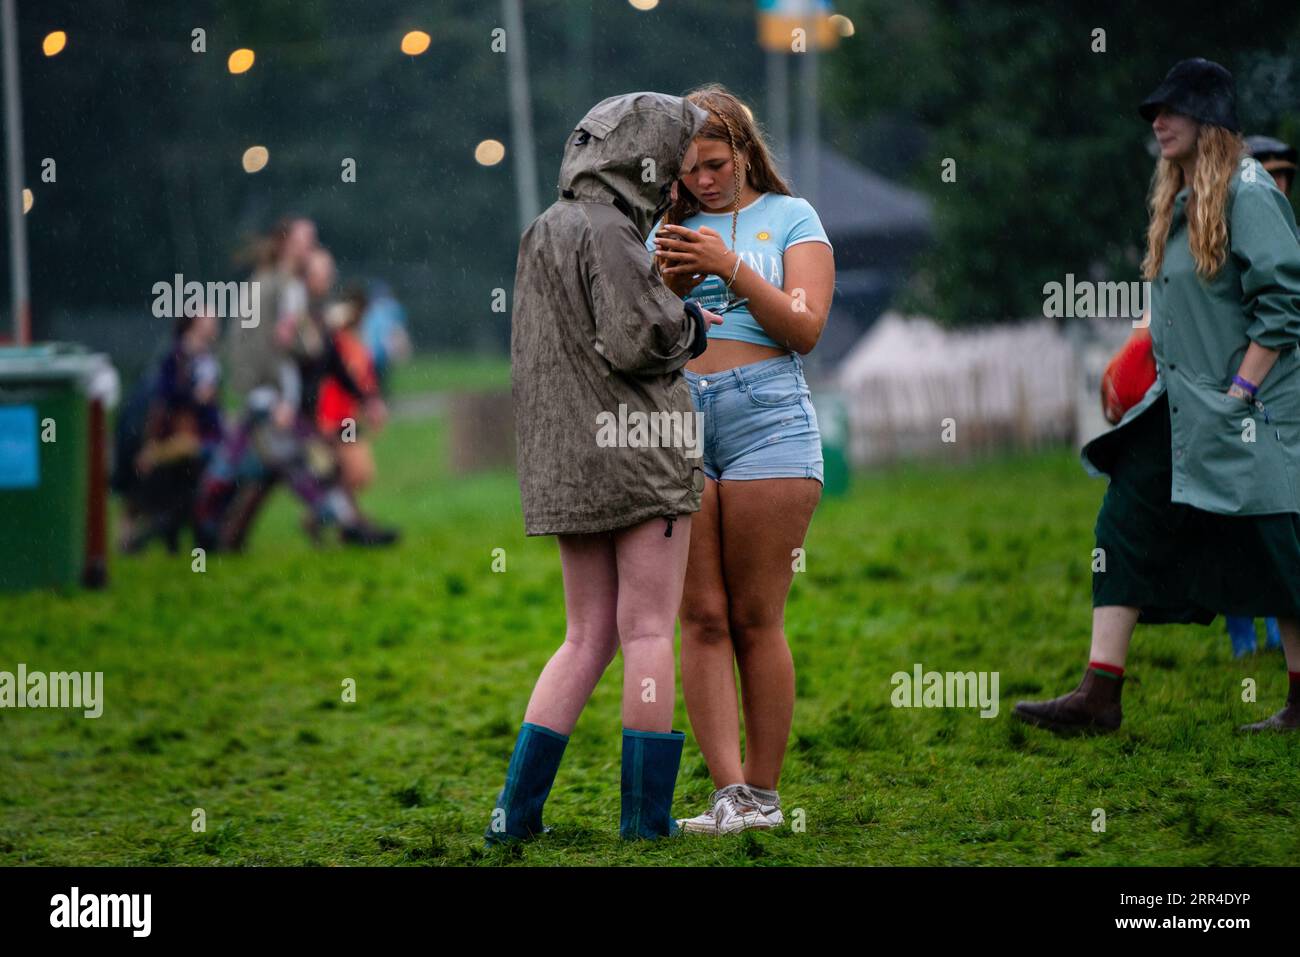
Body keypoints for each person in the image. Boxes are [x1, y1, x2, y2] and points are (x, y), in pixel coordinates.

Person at [1014, 58, 1300, 735]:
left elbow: (1285, 304)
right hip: (1180, 409)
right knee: (1123, 522)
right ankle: (1099, 691)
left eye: (1170, 111)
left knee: (1281, 550)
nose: (1158, 123)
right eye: (1153, 115)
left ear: (1211, 120)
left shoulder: (1249, 192)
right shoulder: (1180, 199)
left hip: (1250, 413)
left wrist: (1241, 390)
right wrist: (1140, 347)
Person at [485, 92, 719, 844]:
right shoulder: (611, 229)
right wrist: (688, 324)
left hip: (566, 465)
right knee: (648, 631)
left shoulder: (542, 229)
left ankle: (513, 817)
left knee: (583, 636)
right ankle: (646, 821)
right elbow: (637, 339)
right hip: (639, 461)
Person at [649, 84, 835, 833]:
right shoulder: (667, 230)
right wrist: (665, 288)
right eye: (688, 168)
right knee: (700, 616)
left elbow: (805, 328)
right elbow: (635, 342)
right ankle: (727, 793)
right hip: (678, 415)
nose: (703, 180)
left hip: (770, 418)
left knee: (758, 614)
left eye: (717, 163)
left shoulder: (792, 218)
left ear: (747, 151)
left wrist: (729, 265)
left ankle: (763, 792)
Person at [1222, 134, 1297, 657]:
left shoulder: (1287, 234)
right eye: (1268, 171)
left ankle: (1278, 634)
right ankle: (1244, 638)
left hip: (1286, 401)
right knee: (1237, 520)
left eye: (1285, 173)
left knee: (1280, 523)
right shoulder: (1224, 233)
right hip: (1239, 393)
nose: (1279, 182)